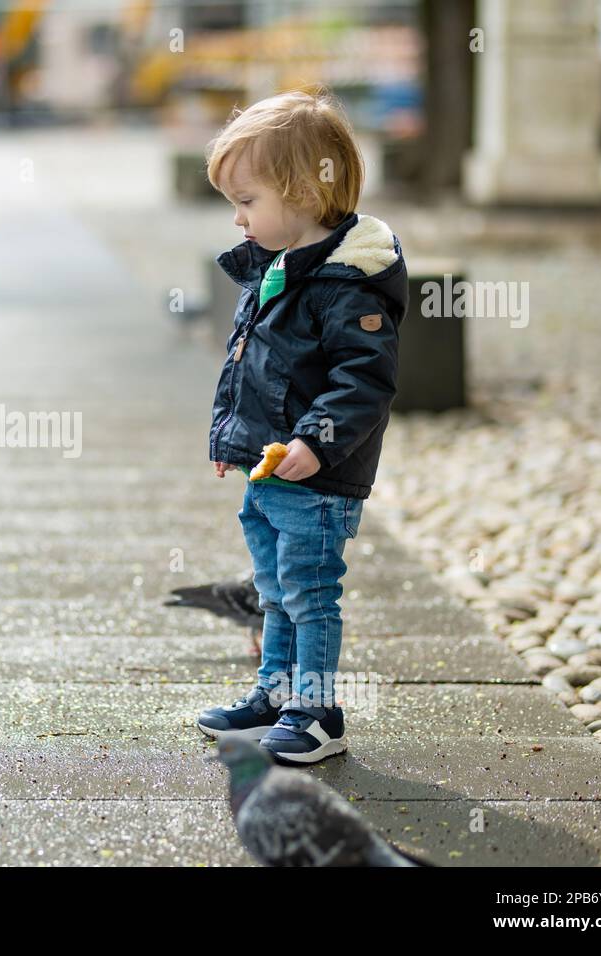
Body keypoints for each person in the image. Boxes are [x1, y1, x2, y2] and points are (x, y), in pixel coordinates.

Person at [195, 87, 408, 765]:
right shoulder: (281, 271)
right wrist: (235, 441)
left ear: (303, 193)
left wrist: (316, 443)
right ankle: (276, 693)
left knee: (310, 597)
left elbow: (363, 382)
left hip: (318, 478)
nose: (237, 218)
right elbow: (250, 366)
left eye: (248, 200)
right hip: (270, 469)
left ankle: (316, 712)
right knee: (274, 594)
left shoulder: (349, 285)